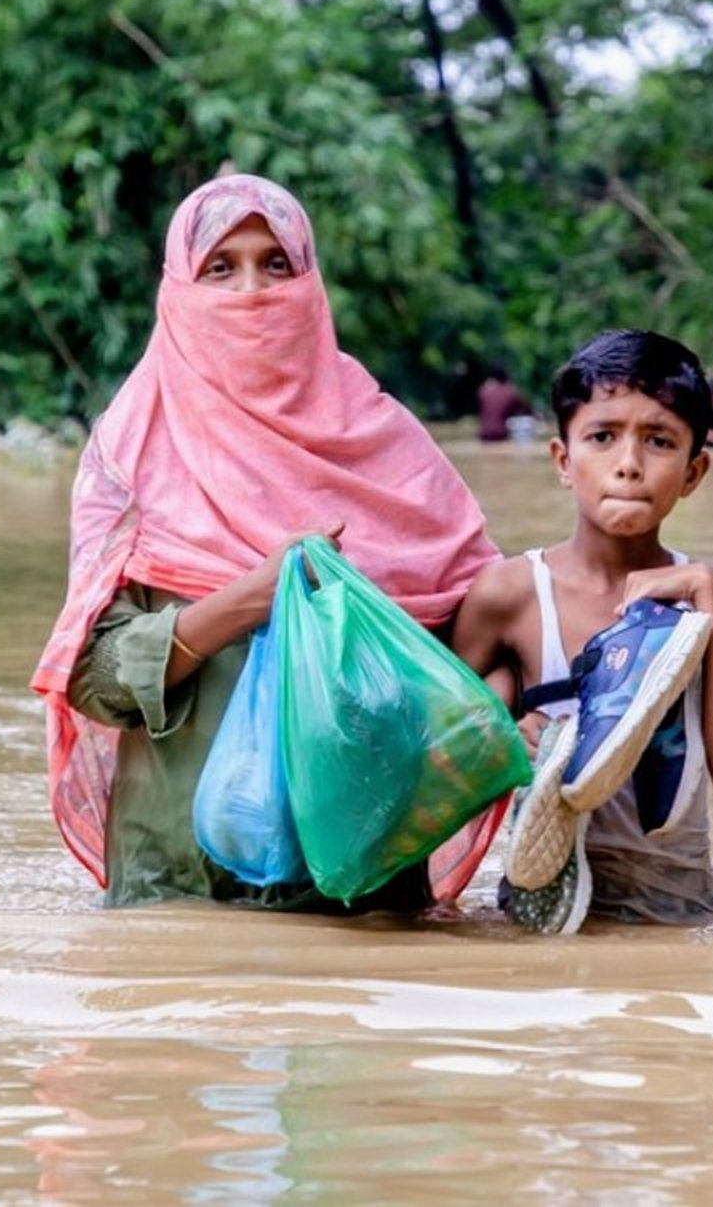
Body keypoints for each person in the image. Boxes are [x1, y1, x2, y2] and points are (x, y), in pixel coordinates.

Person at [30, 174, 505, 911]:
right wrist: (250, 599)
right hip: (179, 879)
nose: (252, 290)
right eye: (221, 267)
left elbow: (484, 639)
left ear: (310, 282)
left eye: (275, 264)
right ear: (180, 290)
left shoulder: (390, 450)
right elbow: (94, 680)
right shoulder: (130, 456)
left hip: (360, 887)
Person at [451, 329, 713, 930]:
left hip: (680, 911)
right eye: (602, 437)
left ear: (694, 471)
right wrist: (498, 743)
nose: (628, 465)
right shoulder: (511, 593)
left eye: (659, 441)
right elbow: (436, 759)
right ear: (564, 461)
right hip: (542, 909)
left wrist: (705, 595)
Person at [476, 366, 535, 442]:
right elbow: (526, 409)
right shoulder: (510, 391)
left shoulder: (483, 391)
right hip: (501, 435)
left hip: (484, 436)